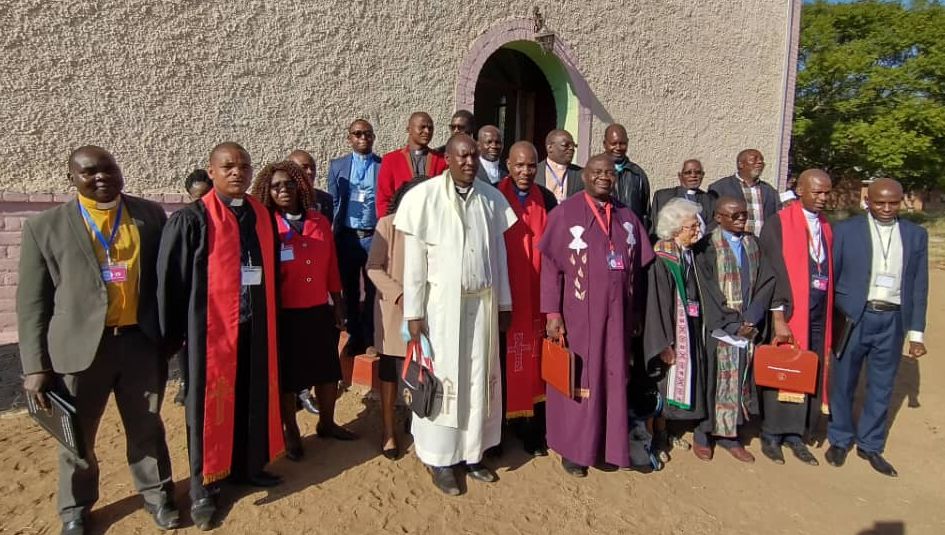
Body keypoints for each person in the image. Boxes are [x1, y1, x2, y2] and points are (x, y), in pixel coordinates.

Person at [17, 146, 177, 534]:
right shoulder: (45, 227)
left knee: (147, 427)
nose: (102, 177)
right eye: (89, 172)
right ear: (71, 178)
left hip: (139, 343)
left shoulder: (148, 215)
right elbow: (32, 301)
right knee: (76, 436)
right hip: (78, 351)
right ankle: (75, 509)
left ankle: (158, 496)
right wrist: (36, 367)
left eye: (109, 169)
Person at [157, 142, 284, 531]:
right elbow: (170, 283)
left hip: (253, 327)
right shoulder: (192, 220)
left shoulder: (260, 215)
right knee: (207, 409)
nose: (237, 172)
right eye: (228, 166)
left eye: (244, 166)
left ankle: (247, 467)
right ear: (210, 172)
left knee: (250, 398)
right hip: (208, 335)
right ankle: (203, 488)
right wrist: (171, 338)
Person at [394, 134, 517, 496]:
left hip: (481, 307)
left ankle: (473, 453)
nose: (469, 162)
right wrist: (413, 312)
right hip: (441, 308)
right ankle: (441, 458)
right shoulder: (424, 198)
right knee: (444, 378)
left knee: (478, 378)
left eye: (474, 156)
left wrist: (505, 304)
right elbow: (414, 265)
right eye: (461, 156)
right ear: (446, 157)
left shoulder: (491, 199)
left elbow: (500, 258)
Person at [539, 153, 654, 477]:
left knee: (613, 378)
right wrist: (551, 313)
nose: (604, 177)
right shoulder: (566, 214)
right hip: (578, 317)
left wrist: (636, 313)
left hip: (618, 318)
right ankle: (574, 449)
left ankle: (607, 445)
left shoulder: (627, 217)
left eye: (608, 173)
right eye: (596, 172)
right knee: (580, 379)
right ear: (585, 176)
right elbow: (551, 268)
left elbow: (639, 271)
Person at [251, 160, 356, 461]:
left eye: (288, 184)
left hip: (317, 310)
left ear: (300, 185)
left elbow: (332, 266)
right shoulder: (268, 226)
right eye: (275, 186)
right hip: (285, 315)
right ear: (267, 192)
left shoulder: (319, 222)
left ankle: (327, 422)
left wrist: (338, 303)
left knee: (327, 371)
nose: (283, 189)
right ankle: (292, 432)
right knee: (290, 377)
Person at [826, 178, 928, 477]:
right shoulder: (845, 231)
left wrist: (916, 333)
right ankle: (840, 438)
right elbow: (833, 277)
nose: (886, 208)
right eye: (879, 202)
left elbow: (920, 286)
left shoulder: (915, 235)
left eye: (893, 203)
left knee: (882, 386)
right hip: (854, 317)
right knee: (843, 381)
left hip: (892, 320)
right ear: (867, 201)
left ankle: (870, 444)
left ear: (901, 202)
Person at [757, 168, 835, 466]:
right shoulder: (779, 224)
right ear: (799, 190)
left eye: (827, 192)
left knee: (809, 368)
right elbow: (771, 273)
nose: (823, 198)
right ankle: (772, 434)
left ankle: (796, 434)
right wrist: (778, 317)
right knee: (783, 367)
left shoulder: (826, 226)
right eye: (817, 192)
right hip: (789, 310)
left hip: (818, 310)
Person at [692, 197, 776, 463]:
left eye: (744, 214)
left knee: (739, 379)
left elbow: (767, 281)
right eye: (735, 215)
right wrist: (730, 322)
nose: (741, 218)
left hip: (747, 325)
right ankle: (703, 433)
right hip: (717, 327)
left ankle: (730, 436)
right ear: (718, 217)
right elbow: (705, 288)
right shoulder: (705, 246)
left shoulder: (753, 243)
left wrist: (752, 318)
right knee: (711, 380)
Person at [496, 141, 558, 456]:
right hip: (502, 297)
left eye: (531, 166)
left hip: (536, 297)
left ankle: (531, 429)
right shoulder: (493, 195)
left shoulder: (545, 198)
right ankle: (497, 431)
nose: (525, 171)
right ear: (508, 165)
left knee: (534, 364)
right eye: (519, 165)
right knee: (500, 363)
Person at [366, 177, 426, 460]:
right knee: (390, 372)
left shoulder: (433, 225)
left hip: (427, 312)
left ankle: (419, 421)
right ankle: (388, 429)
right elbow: (374, 267)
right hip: (395, 311)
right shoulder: (388, 224)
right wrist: (399, 294)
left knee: (423, 368)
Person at [643, 199, 707, 459]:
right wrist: (665, 343)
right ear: (675, 228)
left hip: (687, 327)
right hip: (667, 332)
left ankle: (667, 431)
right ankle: (656, 438)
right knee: (660, 384)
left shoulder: (687, 252)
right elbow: (656, 304)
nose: (697, 231)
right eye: (691, 227)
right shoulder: (663, 258)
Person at [327, 119, 382, 357]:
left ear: (373, 137)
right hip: (347, 236)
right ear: (349, 137)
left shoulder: (382, 165)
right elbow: (334, 200)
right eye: (358, 134)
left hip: (374, 236)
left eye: (367, 134)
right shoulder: (337, 165)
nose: (363, 138)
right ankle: (352, 336)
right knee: (349, 290)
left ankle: (369, 337)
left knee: (373, 290)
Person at [174, 168, 214, 407]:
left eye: (206, 195)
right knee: (187, 342)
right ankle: (185, 382)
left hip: (216, 292)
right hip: (191, 292)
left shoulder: (225, 218)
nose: (202, 202)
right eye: (195, 197)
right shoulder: (184, 220)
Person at [376, 112, 448, 216]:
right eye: (422, 127)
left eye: (430, 128)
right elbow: (384, 199)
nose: (427, 131)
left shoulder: (441, 160)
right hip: (399, 222)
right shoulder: (391, 160)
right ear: (409, 129)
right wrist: (389, 225)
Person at [709, 149, 780, 237]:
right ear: (741, 164)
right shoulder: (720, 187)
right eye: (754, 159)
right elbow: (711, 220)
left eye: (761, 160)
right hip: (732, 243)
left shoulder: (769, 191)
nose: (760, 162)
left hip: (762, 245)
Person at [603, 124, 651, 229]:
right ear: (605, 144)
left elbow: (645, 213)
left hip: (631, 237)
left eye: (622, 143)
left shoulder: (637, 174)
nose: (618, 148)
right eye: (613, 143)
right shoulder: (596, 173)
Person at [651, 159, 717, 236]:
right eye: (688, 173)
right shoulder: (663, 197)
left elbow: (712, 229)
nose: (693, 175)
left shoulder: (711, 200)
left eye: (698, 173)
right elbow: (655, 227)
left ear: (703, 175)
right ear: (680, 176)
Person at [536, 129, 583, 201]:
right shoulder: (535, 172)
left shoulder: (582, 173)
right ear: (550, 148)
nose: (571, 148)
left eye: (573, 145)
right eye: (566, 145)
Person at [288, 149, 334, 221]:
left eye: (312, 168)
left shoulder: (326, 200)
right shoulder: (283, 198)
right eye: (304, 167)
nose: (310, 172)